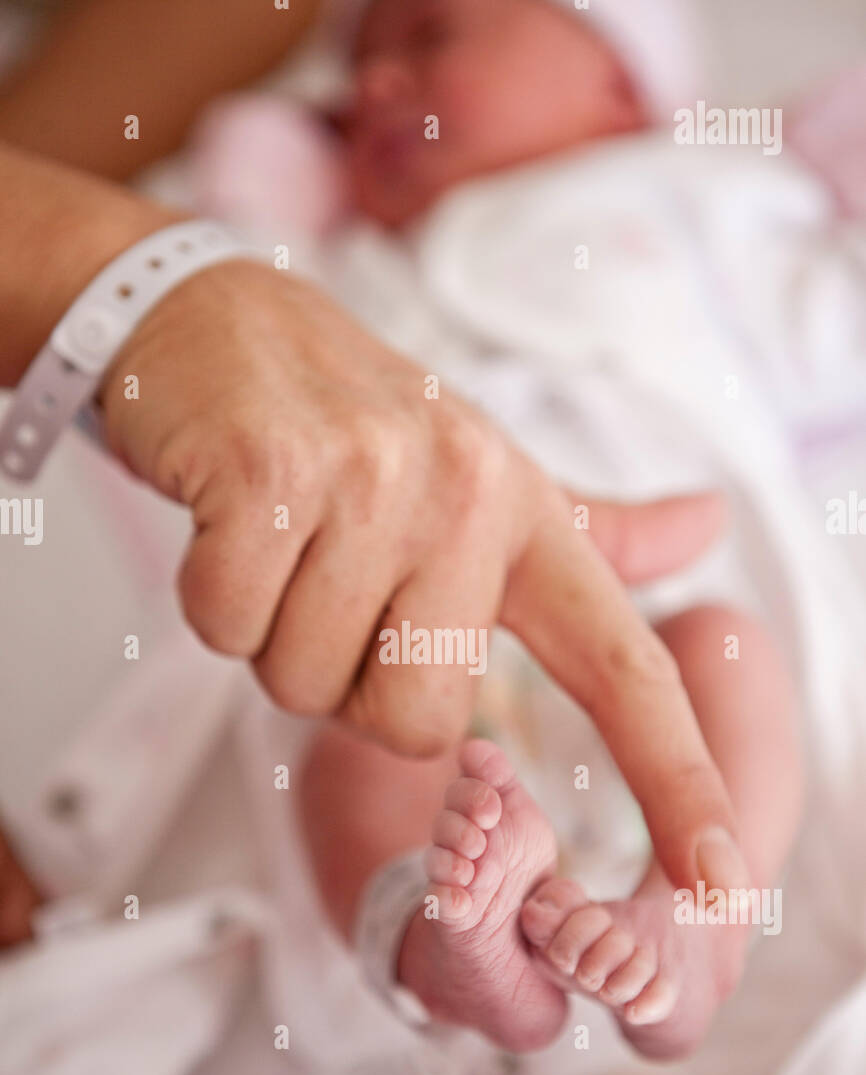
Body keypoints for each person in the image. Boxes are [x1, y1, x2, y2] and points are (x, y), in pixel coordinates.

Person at [0, 0, 748, 901]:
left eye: (432, 36)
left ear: (624, 83)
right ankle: (440, 945)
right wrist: (239, 191)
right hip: (417, 607)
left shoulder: (720, 207)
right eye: (356, 70)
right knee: (364, 763)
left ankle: (690, 919)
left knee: (732, 677)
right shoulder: (355, 259)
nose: (368, 87)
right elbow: (256, 347)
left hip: (662, 587)